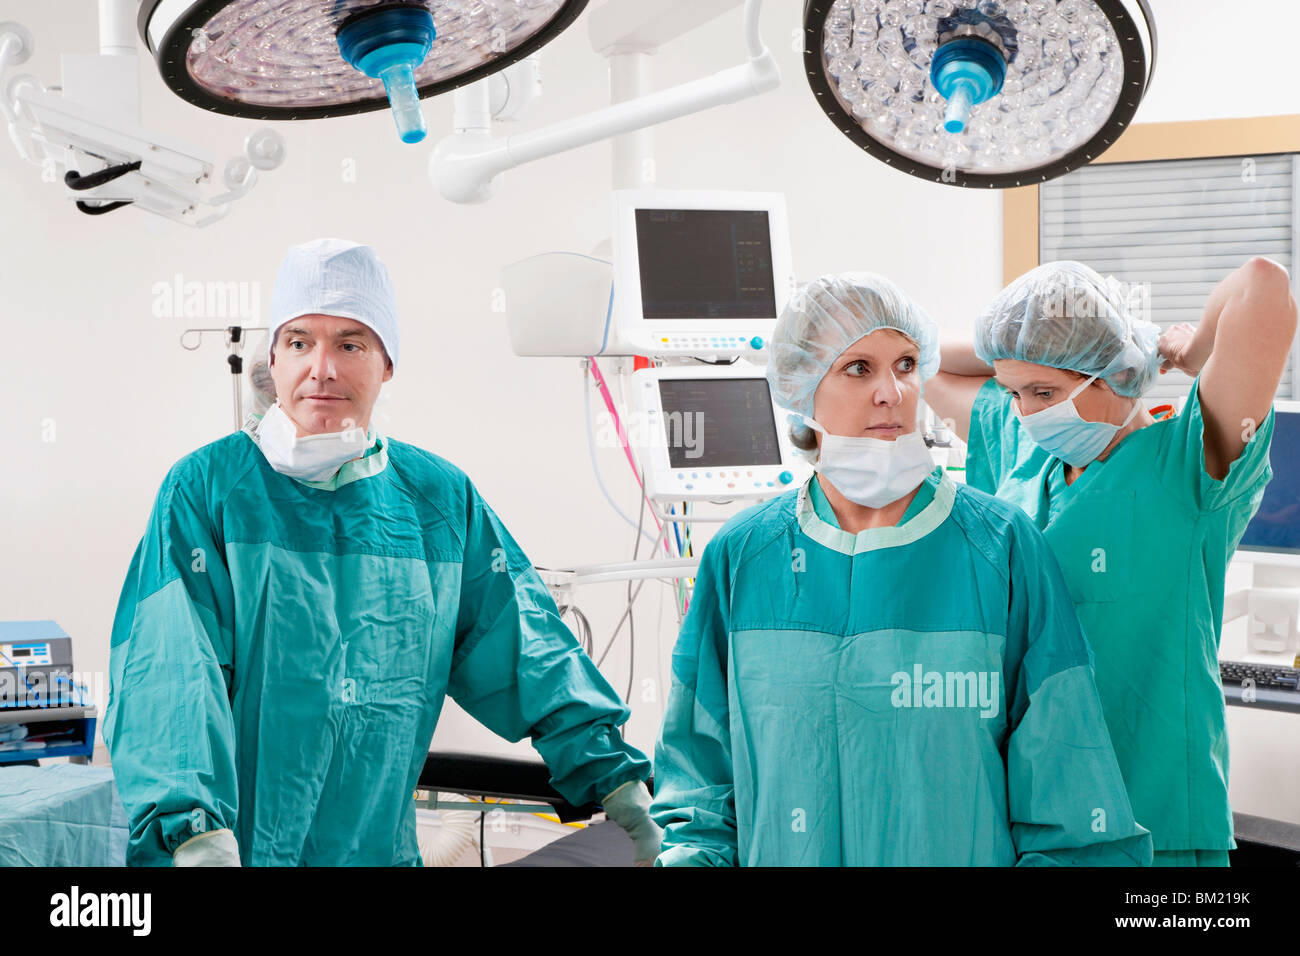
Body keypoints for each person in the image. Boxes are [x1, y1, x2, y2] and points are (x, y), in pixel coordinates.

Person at [105, 238, 661, 866]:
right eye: (299, 343)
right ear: (274, 359)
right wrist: (194, 838)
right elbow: (171, 676)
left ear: (387, 363)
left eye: (350, 344)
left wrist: (615, 781)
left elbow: (526, 644)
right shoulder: (208, 490)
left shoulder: (438, 502)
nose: (322, 369)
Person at [649, 272, 1152, 866]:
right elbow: (700, 786)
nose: (891, 391)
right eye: (858, 368)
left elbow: (1071, 799)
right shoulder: (744, 555)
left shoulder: (1001, 547)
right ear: (802, 387)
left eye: (908, 364)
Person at [924, 258, 1298, 866]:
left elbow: (1264, 285)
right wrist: (1020, 348)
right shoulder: (1026, 451)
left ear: (1114, 373)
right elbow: (931, 359)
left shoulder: (1188, 466)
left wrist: (1180, 347)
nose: (1024, 410)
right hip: (1033, 823)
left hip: (1157, 823)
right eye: (1015, 391)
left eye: (1043, 392)